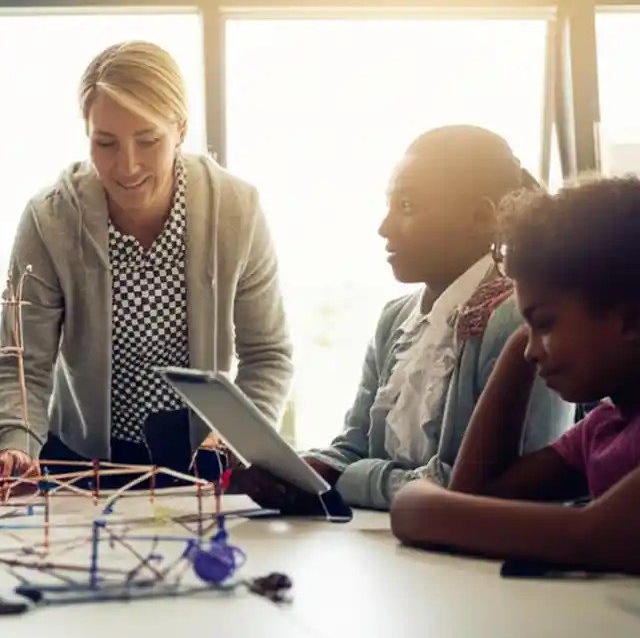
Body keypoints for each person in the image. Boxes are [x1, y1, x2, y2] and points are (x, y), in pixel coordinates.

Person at [0, 41, 293, 484]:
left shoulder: (237, 209)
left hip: (204, 456)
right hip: (80, 461)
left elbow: (267, 355)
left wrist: (235, 439)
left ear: (180, 129)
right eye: (105, 142)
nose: (126, 166)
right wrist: (15, 444)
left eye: (148, 140)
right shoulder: (49, 219)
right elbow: (24, 364)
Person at [242, 126, 572, 512]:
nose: (384, 227)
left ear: (482, 217)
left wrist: (345, 479)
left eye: (408, 206)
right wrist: (307, 470)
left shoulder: (519, 322)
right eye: (390, 205)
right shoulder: (396, 319)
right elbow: (355, 446)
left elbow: (475, 486)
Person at [391, 176, 640, 574]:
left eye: (545, 324)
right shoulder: (605, 429)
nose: (531, 350)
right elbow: (476, 495)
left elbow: (596, 536)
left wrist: (416, 500)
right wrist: (516, 347)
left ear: (630, 318)